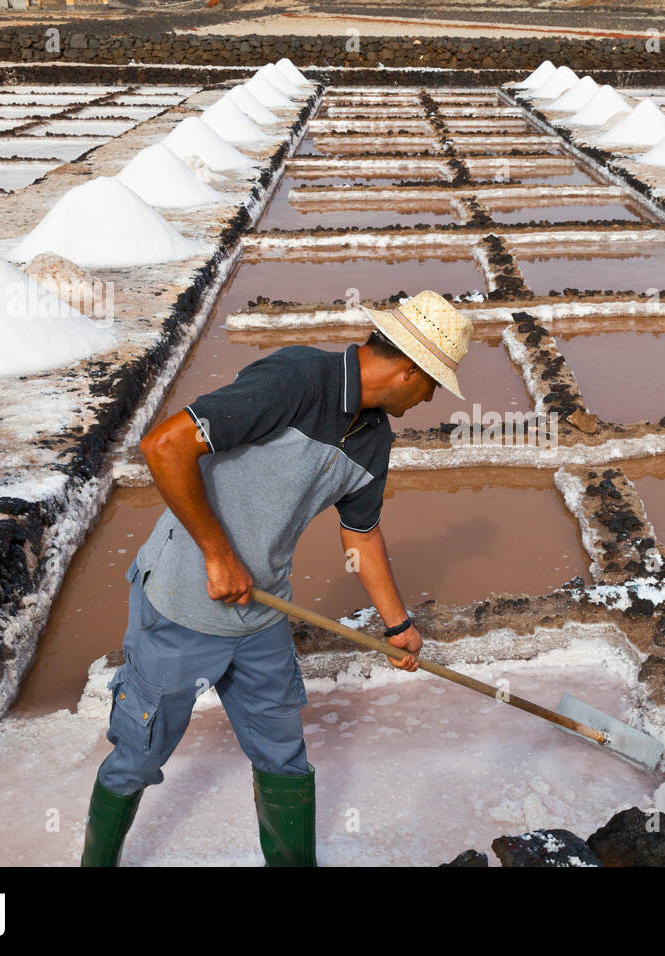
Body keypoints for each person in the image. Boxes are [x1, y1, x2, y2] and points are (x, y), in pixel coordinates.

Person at [80, 290, 472, 866]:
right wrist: (217, 554)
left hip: (263, 614)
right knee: (140, 752)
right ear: (411, 370)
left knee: (284, 756)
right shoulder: (295, 379)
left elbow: (360, 535)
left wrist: (398, 625)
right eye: (434, 383)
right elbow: (164, 447)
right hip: (183, 600)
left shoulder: (373, 440)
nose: (432, 397)